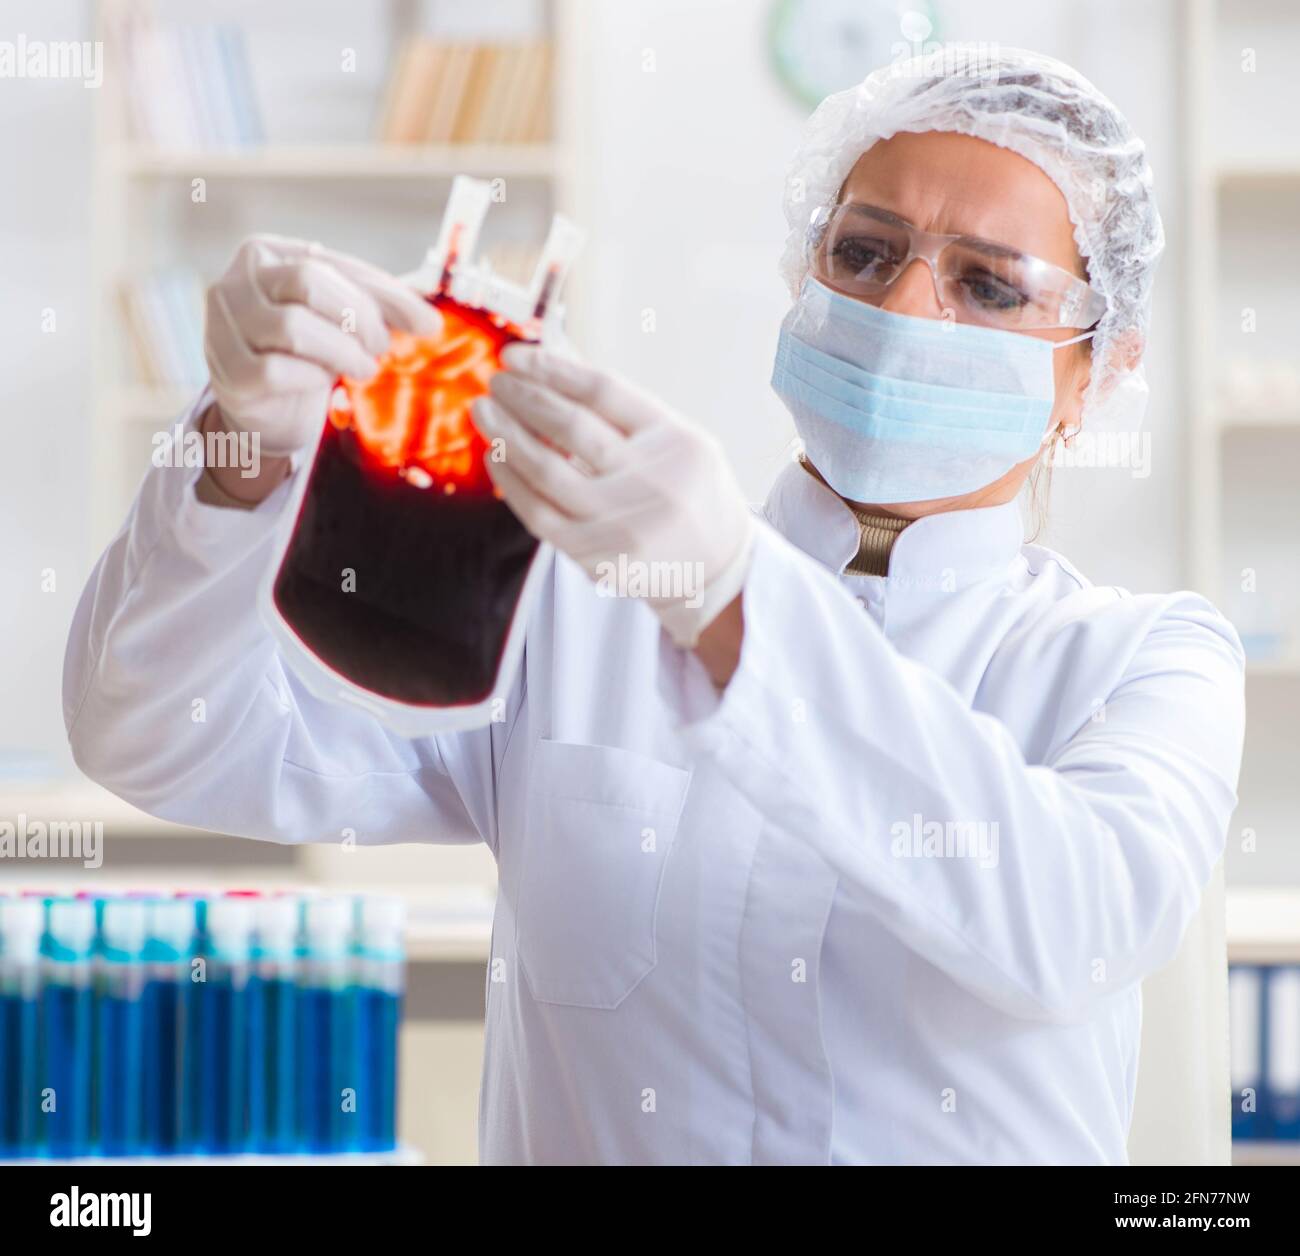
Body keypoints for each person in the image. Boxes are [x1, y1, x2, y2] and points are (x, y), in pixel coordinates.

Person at [64, 47, 1244, 1164]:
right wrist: (236, 455)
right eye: (866, 252)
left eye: (990, 284)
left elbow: (1071, 919)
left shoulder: (1147, 659)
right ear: (804, 274)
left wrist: (729, 595)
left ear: (1096, 370)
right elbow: (167, 736)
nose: (908, 310)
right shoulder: (573, 597)